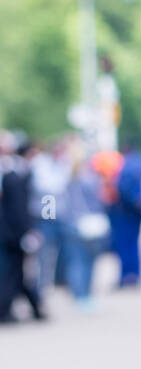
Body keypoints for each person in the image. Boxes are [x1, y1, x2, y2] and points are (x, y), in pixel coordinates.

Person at [59, 148, 109, 311]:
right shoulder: (91, 180)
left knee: (76, 261)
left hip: (70, 224)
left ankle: (79, 295)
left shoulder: (64, 179)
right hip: (87, 224)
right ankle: (84, 296)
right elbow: (101, 201)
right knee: (87, 262)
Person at [0, 139, 44, 321]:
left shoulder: (14, 172)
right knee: (13, 272)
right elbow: (22, 207)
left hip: (11, 230)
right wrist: (31, 229)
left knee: (14, 272)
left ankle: (34, 307)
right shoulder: (15, 174)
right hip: (13, 231)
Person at [29, 138, 70, 294]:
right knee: (45, 251)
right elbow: (48, 189)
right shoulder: (42, 165)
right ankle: (43, 281)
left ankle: (59, 279)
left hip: (59, 215)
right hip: (46, 215)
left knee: (62, 250)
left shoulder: (64, 165)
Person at [109, 139, 141, 287]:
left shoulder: (123, 165)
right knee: (136, 242)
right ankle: (136, 275)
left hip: (124, 210)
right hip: (138, 210)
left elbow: (120, 187)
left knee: (123, 243)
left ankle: (125, 276)